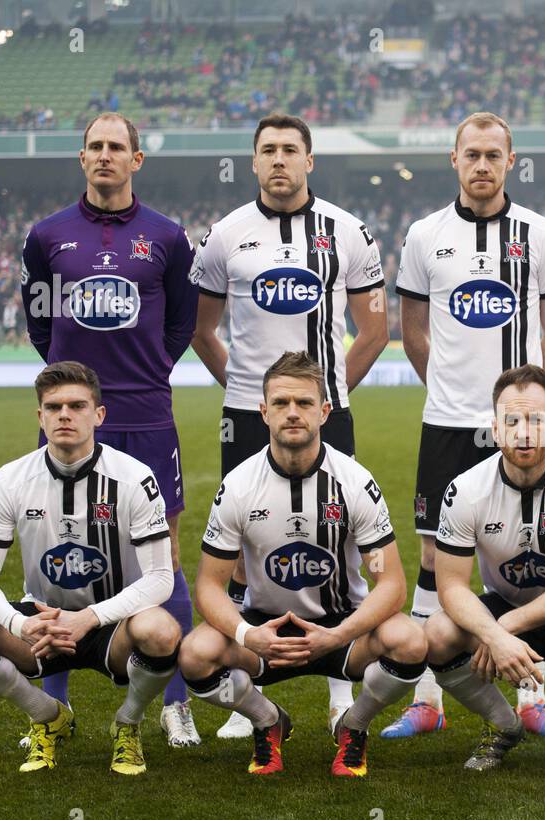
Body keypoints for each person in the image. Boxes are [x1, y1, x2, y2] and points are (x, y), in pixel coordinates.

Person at [190, 112, 390, 738]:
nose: (279, 160)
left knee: (342, 545)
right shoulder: (224, 234)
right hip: (250, 416)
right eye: (268, 150)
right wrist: (251, 396)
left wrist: (327, 397)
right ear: (253, 162)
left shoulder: (348, 231)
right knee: (246, 548)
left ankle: (338, 687)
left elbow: (375, 328)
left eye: (291, 150)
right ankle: (251, 682)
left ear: (310, 160)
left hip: (325, 411)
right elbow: (201, 329)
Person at [389, 111, 545, 740]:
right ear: (454, 159)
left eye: (494, 155)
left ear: (510, 161)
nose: (482, 165)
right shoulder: (423, 235)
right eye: (472, 154)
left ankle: (531, 700)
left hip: (522, 426)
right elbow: (413, 329)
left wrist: (522, 402)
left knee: (536, 554)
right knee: (433, 557)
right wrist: (445, 386)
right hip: (446, 422)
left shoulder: (541, 233)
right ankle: (427, 700)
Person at [21, 111, 202, 748]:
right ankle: (52, 701)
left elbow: (181, 323)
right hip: (73, 417)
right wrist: (72, 383)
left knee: (164, 557)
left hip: (147, 415)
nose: (105, 156)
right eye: (95, 147)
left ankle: (174, 701)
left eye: (116, 147)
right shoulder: (47, 236)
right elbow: (40, 324)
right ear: (82, 158)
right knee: (57, 553)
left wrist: (149, 369)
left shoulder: (168, 237)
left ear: (136, 160)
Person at [179, 352, 425, 776]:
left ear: (325, 411)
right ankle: (267, 719)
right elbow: (208, 586)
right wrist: (247, 633)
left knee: (411, 642)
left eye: (305, 403)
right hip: (266, 630)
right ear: (263, 412)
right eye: (281, 403)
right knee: (195, 655)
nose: (293, 413)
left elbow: (392, 584)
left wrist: (338, 635)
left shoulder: (355, 483)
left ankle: (354, 725)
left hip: (341, 626)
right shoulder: (238, 486)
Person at [0, 362, 179, 775]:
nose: (64, 414)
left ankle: (128, 723)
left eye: (77, 405)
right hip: (42, 623)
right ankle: (47, 716)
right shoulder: (10, 479)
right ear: (40, 416)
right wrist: (20, 624)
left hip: (113, 622)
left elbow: (161, 578)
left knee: (161, 632)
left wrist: (90, 617)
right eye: (53, 407)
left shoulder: (135, 478)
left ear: (98, 415)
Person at [425, 365, 545, 774]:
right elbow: (451, 587)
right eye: (512, 421)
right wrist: (495, 631)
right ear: (495, 429)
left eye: (535, 420)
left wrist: (504, 629)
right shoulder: (464, 491)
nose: (524, 432)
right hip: (505, 600)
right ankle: (503, 723)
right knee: (437, 634)